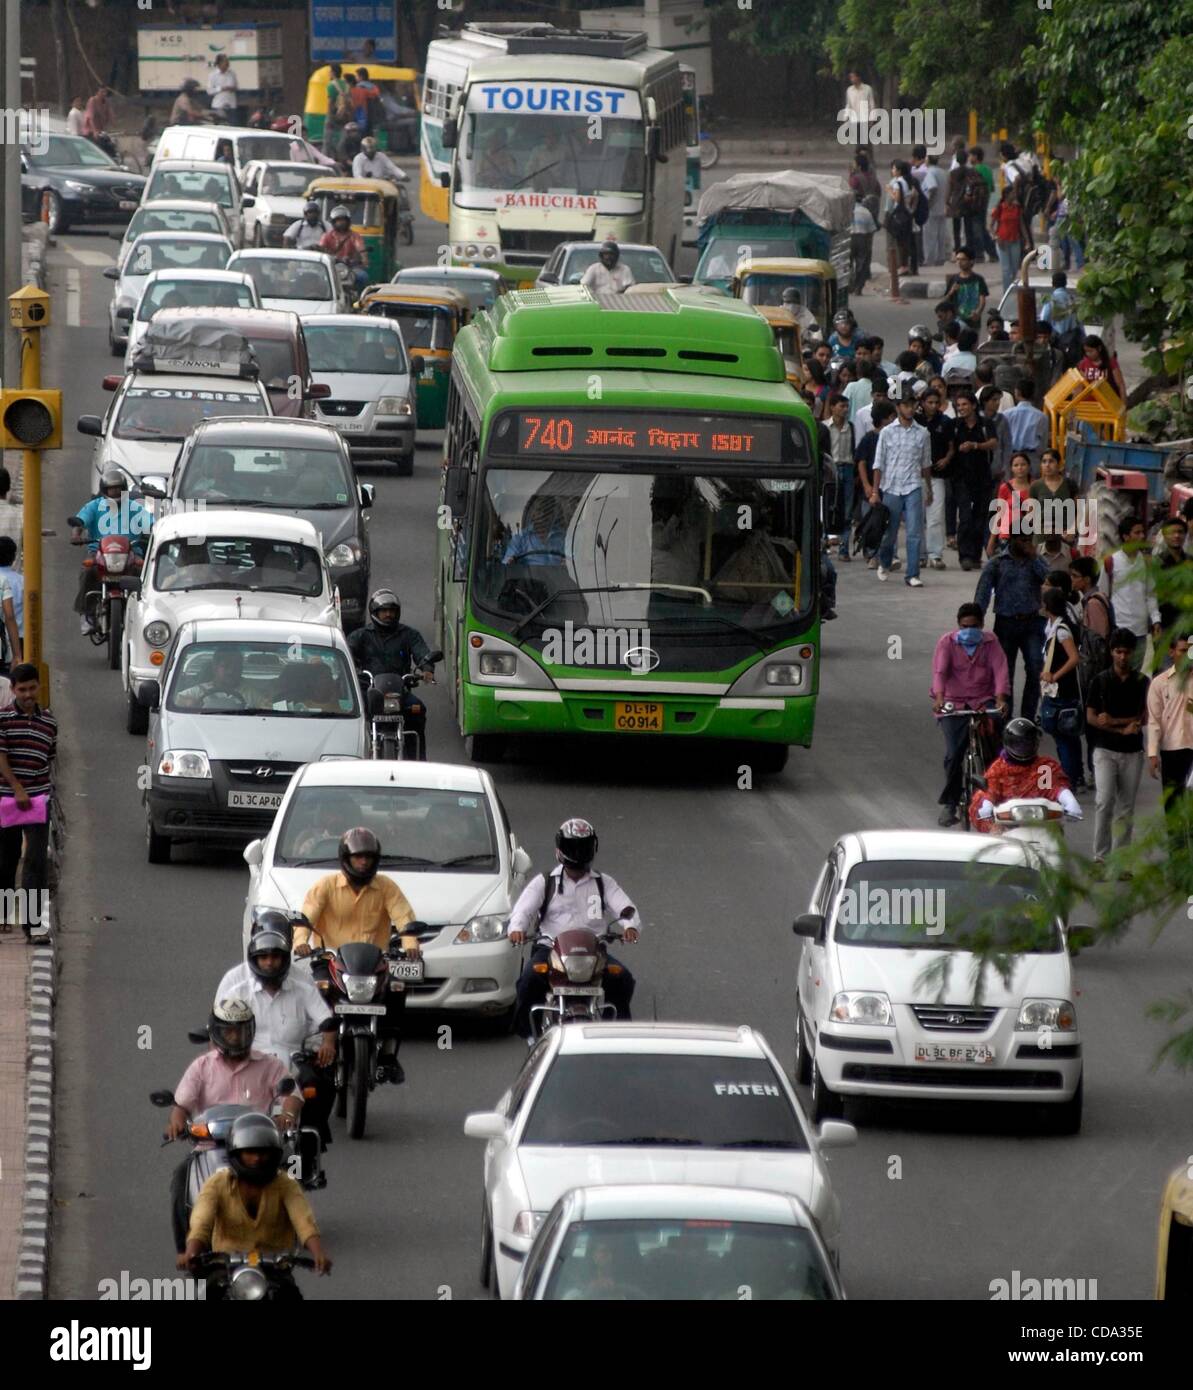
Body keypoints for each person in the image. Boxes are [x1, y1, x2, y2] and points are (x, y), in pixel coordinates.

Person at [294, 828, 417, 1083]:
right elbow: (307, 917)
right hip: (331, 961)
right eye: (358, 857)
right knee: (314, 991)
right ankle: (310, 1048)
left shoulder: (386, 886)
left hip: (373, 962)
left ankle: (389, 1054)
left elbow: (404, 916)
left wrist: (411, 943)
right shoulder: (325, 886)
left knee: (397, 988)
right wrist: (301, 942)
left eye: (368, 857)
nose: (363, 862)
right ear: (345, 858)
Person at [508, 819, 639, 1044]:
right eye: (572, 847)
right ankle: (530, 1034)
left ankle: (615, 1034)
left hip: (594, 951)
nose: (578, 852)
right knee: (528, 980)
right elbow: (522, 910)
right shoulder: (545, 882)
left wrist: (630, 927)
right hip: (551, 950)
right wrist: (517, 929)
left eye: (583, 846)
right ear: (561, 848)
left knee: (623, 979)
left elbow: (626, 908)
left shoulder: (604, 883)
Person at [215, 918, 337, 1156]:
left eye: (275, 956)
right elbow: (219, 1029)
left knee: (321, 1086)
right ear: (254, 957)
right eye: (264, 957)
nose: (270, 963)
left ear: (285, 957)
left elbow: (325, 1019)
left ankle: (309, 1149)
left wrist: (328, 1044)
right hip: (246, 1060)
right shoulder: (236, 987)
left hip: (294, 1060)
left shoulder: (302, 985)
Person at [181, 1112, 332, 1297]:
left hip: (275, 1269)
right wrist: (191, 1252)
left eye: (263, 1153)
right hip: (225, 1268)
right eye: (250, 1152)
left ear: (274, 1154)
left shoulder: (286, 1184)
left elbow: (304, 1220)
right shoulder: (217, 1184)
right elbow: (201, 1222)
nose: (257, 1159)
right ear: (236, 1153)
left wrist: (318, 1252)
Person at [164, 997, 302, 1145]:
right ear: (217, 1032)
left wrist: (287, 1115)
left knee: (287, 1166)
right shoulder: (201, 1066)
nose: (235, 1037)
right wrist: (176, 1122)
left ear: (251, 1031)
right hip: (210, 1146)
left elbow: (292, 1095)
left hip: (258, 1145)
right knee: (185, 1169)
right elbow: (182, 1105)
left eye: (241, 1032)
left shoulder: (270, 1064)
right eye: (229, 1032)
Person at [931, 603, 1010, 824]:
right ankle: (951, 804)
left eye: (974, 626)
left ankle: (996, 795)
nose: (969, 630)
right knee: (953, 753)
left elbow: (1001, 670)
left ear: (982, 625)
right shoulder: (947, 643)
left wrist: (1001, 699)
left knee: (996, 749)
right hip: (953, 703)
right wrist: (939, 699)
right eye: (965, 626)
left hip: (983, 702)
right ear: (958, 625)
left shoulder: (991, 642)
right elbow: (940, 672)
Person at [1085, 629, 1149, 872]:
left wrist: (1113, 721)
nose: (1122, 656)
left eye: (1126, 652)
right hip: (1104, 750)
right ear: (1112, 653)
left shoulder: (1142, 682)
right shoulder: (1100, 681)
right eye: (1118, 652)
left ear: (1133, 653)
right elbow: (1091, 717)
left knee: (1126, 808)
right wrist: (1120, 725)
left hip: (1132, 752)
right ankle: (1101, 857)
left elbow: (1144, 716)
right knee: (1104, 801)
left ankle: (1121, 861)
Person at [0, 664, 55, 938]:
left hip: (38, 801)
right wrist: (17, 787)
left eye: (32, 688)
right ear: (13, 690)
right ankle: (3, 915)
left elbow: (49, 761)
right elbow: (1, 758)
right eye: (22, 689)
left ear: (38, 686)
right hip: (8, 800)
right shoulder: (4, 719)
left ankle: (33, 925)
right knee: (6, 859)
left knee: (35, 861)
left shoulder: (49, 723)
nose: (28, 694)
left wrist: (42, 795)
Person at [347, 589, 436, 758]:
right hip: (370, 691)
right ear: (375, 613)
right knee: (351, 714)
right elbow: (346, 651)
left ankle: (418, 759)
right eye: (384, 611)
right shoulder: (361, 636)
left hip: (399, 692)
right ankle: (352, 756)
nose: (388, 615)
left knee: (418, 710)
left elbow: (422, 653)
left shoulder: (409, 634)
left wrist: (427, 670)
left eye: (392, 611)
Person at [975, 534, 1050, 718]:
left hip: (1032, 623)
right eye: (1022, 540)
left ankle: (1027, 718)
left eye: (1029, 540)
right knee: (1004, 673)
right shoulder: (997, 563)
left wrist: (1034, 558)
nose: (1026, 544)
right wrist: (976, 621)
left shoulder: (1036, 560)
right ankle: (1005, 717)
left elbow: (1049, 580)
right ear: (1012, 539)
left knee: (1035, 668)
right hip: (1006, 623)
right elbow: (983, 592)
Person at [69, 469, 151, 636]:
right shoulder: (94, 506)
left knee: (146, 576)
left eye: (118, 488)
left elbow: (152, 523)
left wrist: (155, 533)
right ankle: (87, 614)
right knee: (87, 571)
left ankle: (146, 615)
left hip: (131, 554)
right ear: (104, 490)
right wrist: (76, 534)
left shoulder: (135, 508)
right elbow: (80, 521)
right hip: (98, 553)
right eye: (111, 489)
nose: (114, 492)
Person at [969, 717, 1082, 831]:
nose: (1022, 748)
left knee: (1055, 840)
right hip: (1006, 823)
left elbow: (1052, 788)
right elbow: (991, 790)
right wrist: (987, 805)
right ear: (1007, 743)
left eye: (1027, 743)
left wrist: (1069, 801)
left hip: (1040, 820)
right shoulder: (999, 768)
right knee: (996, 835)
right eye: (1017, 744)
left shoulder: (1043, 767)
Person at [872, 378, 931, 587]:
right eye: (905, 404)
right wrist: (874, 492)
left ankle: (913, 574)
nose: (910, 408)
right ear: (898, 407)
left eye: (912, 404)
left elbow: (926, 464)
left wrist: (929, 488)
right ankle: (885, 561)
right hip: (891, 487)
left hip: (914, 485)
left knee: (914, 532)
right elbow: (878, 463)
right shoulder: (887, 432)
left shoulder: (923, 433)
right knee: (891, 531)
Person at [1145, 633, 1193, 858]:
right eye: (1183, 650)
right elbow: (1154, 720)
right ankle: (1178, 859)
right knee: (1173, 807)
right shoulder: (1160, 683)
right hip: (1172, 751)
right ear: (1172, 652)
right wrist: (1153, 753)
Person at [1099, 516, 1159, 671]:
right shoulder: (1111, 561)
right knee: (1119, 672)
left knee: (1135, 674)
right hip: (1119, 628)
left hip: (1140, 631)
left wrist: (1155, 620)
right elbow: (1103, 595)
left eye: (1142, 532)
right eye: (1137, 533)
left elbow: (1151, 594)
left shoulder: (1146, 562)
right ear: (1126, 536)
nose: (1142, 536)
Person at [1039, 587, 1084, 788]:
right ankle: (1074, 775)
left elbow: (1074, 658)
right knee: (1068, 738)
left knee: (1063, 737)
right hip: (1061, 690)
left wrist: (1054, 676)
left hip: (1061, 691)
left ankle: (1069, 780)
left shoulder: (1062, 630)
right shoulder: (1053, 626)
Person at [951, 388, 998, 571]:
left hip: (983, 477)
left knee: (980, 517)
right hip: (961, 476)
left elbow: (994, 442)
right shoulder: (955, 425)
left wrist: (975, 446)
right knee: (965, 517)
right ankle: (965, 556)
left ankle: (976, 555)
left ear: (973, 405)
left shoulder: (985, 424)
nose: (961, 408)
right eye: (958, 405)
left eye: (964, 404)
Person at [854, 399, 896, 565]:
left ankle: (885, 554)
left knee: (886, 522)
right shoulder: (869, 438)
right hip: (871, 486)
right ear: (884, 418)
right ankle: (870, 553)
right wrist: (867, 486)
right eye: (891, 416)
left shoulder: (893, 437)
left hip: (889, 486)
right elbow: (862, 462)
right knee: (871, 522)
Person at [918, 386, 954, 570]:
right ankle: (920, 554)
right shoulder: (916, 420)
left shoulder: (946, 422)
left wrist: (947, 459)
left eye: (936, 403)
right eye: (929, 402)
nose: (933, 406)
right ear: (922, 403)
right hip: (917, 476)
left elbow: (951, 446)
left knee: (935, 517)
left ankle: (935, 554)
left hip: (937, 475)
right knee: (918, 517)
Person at [824, 393, 855, 559]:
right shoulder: (825, 427)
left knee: (847, 510)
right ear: (832, 407)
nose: (844, 410)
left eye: (846, 406)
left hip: (848, 468)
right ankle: (824, 543)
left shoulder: (851, 427)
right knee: (828, 506)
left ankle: (844, 549)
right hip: (831, 468)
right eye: (841, 406)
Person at [987, 450, 1034, 558]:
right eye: (1016, 465)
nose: (1020, 468)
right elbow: (999, 515)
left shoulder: (1035, 487)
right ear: (1012, 468)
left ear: (1028, 466)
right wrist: (991, 540)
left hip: (1027, 537)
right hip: (1006, 535)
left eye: (1023, 464)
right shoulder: (1004, 487)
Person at [1154, 515, 1192, 642]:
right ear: (1164, 536)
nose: (1176, 536)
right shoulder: (1156, 563)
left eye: (1180, 532)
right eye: (1172, 532)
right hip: (1165, 626)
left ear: (1185, 535)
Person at [318, 206, 368, 291]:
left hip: (350, 267)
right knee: (319, 278)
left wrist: (364, 259)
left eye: (343, 220)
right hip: (331, 266)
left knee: (363, 277)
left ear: (348, 221)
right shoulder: (327, 236)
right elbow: (321, 249)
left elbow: (361, 248)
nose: (341, 223)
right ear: (333, 222)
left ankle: (359, 299)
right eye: (338, 220)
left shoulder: (354, 236)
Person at [1003, 379, 1049, 469]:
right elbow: (1043, 444)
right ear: (1033, 393)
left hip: (1011, 459)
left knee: (1011, 483)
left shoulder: (1006, 414)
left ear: (1017, 393)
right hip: (1032, 459)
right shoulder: (1041, 417)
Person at [942, 248, 989, 330]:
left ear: (971, 261)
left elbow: (982, 299)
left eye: (963, 259)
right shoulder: (954, 279)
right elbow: (944, 302)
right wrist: (951, 292)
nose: (959, 262)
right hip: (957, 322)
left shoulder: (978, 279)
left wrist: (978, 312)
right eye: (957, 259)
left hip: (973, 322)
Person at [886, 159, 918, 278]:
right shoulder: (906, 181)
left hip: (900, 215)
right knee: (905, 242)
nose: (892, 171)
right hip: (907, 214)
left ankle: (903, 266)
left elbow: (897, 199)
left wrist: (889, 191)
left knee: (900, 242)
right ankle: (906, 265)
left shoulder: (897, 182)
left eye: (894, 168)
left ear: (899, 171)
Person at [990, 181, 1025, 288]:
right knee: (1006, 269)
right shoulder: (1000, 208)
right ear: (1006, 195)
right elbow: (990, 226)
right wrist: (996, 237)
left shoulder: (1017, 208)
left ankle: (1011, 287)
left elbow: (1021, 225)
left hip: (1015, 240)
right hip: (1002, 241)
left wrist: (1026, 240)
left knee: (1014, 268)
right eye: (1012, 194)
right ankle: (1006, 293)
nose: (1014, 195)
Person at [979, 385, 1013, 484]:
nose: (997, 403)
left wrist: (1005, 467)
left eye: (998, 400)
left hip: (998, 467)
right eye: (994, 400)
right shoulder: (977, 419)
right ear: (985, 401)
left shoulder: (1002, 420)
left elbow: (1007, 445)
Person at [1076, 335, 1126, 399]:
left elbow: (1120, 384)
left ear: (1099, 348)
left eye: (1091, 351)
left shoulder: (1111, 362)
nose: (1088, 354)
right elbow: (1079, 387)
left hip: (1109, 400)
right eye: (1086, 352)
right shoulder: (1083, 364)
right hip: (1090, 403)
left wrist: (1123, 403)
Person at [0, 537, 24, 674]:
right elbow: (10, 616)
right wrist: (17, 655)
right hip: (18, 640)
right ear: (14, 556)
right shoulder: (23, 582)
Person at [850, 191, 877, 294]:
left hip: (850, 238)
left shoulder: (848, 210)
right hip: (862, 238)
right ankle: (858, 287)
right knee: (861, 264)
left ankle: (848, 285)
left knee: (848, 264)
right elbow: (871, 230)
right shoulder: (866, 212)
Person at [324, 64, 352, 157]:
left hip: (334, 115)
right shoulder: (347, 85)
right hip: (345, 116)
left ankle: (327, 158)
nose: (329, 73)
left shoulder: (331, 85)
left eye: (330, 71)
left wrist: (329, 116)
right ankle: (343, 156)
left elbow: (330, 102)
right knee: (343, 138)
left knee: (328, 139)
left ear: (334, 73)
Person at [207, 53, 239, 125]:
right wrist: (221, 88)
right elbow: (209, 91)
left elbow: (236, 86)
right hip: (219, 105)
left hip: (231, 105)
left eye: (228, 62)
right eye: (225, 62)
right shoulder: (213, 75)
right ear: (219, 64)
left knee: (232, 125)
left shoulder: (231, 73)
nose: (227, 64)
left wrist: (233, 88)